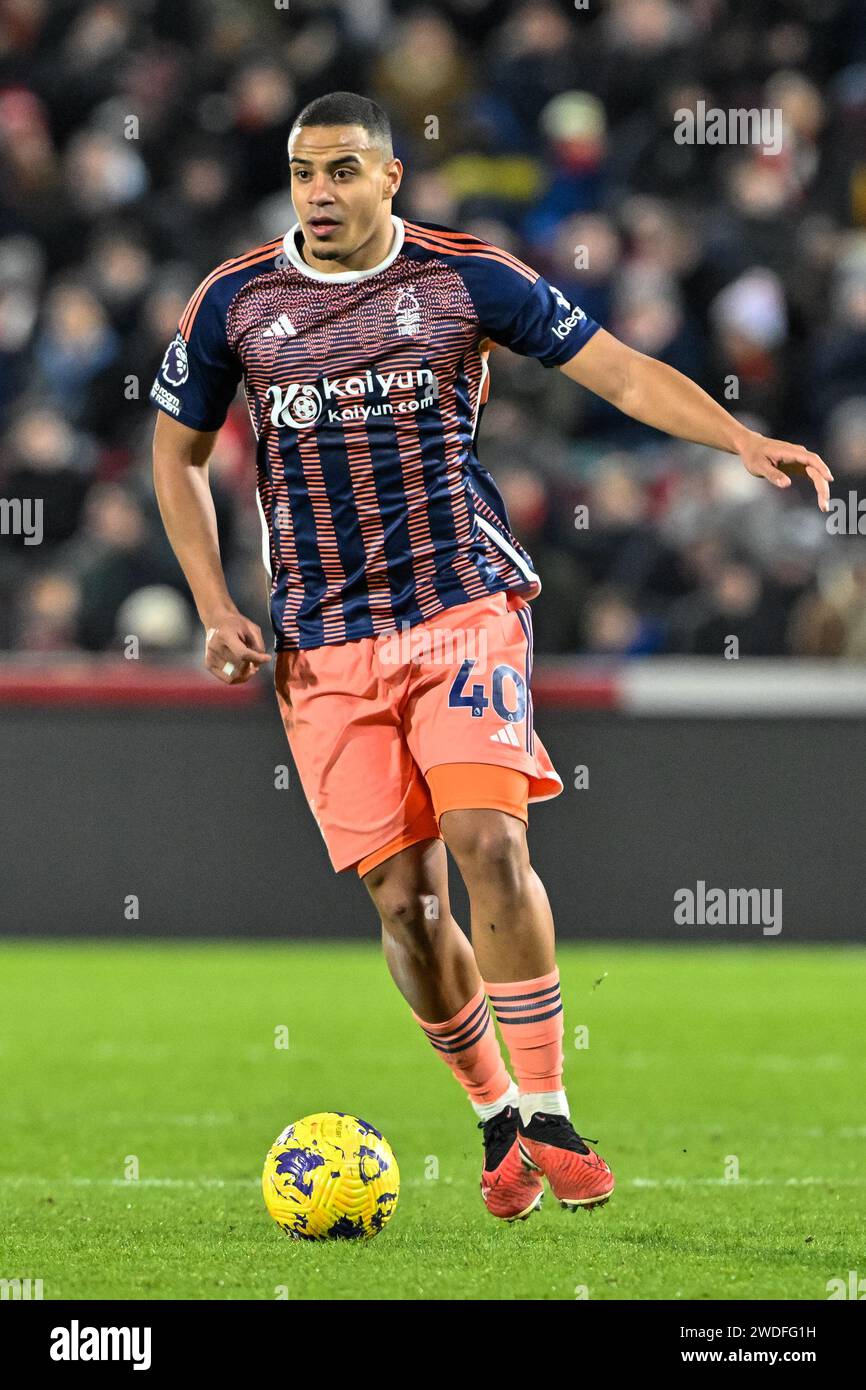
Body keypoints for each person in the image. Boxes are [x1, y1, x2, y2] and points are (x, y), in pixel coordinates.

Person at [150, 91, 832, 1223]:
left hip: (461, 604)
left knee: (486, 839)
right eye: (299, 172)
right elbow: (173, 459)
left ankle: (552, 1105)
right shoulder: (233, 302)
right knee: (409, 912)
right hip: (321, 642)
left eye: (339, 171)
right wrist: (216, 603)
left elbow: (614, 368)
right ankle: (495, 1118)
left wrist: (738, 436)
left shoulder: (467, 279)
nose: (316, 192)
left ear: (388, 180)